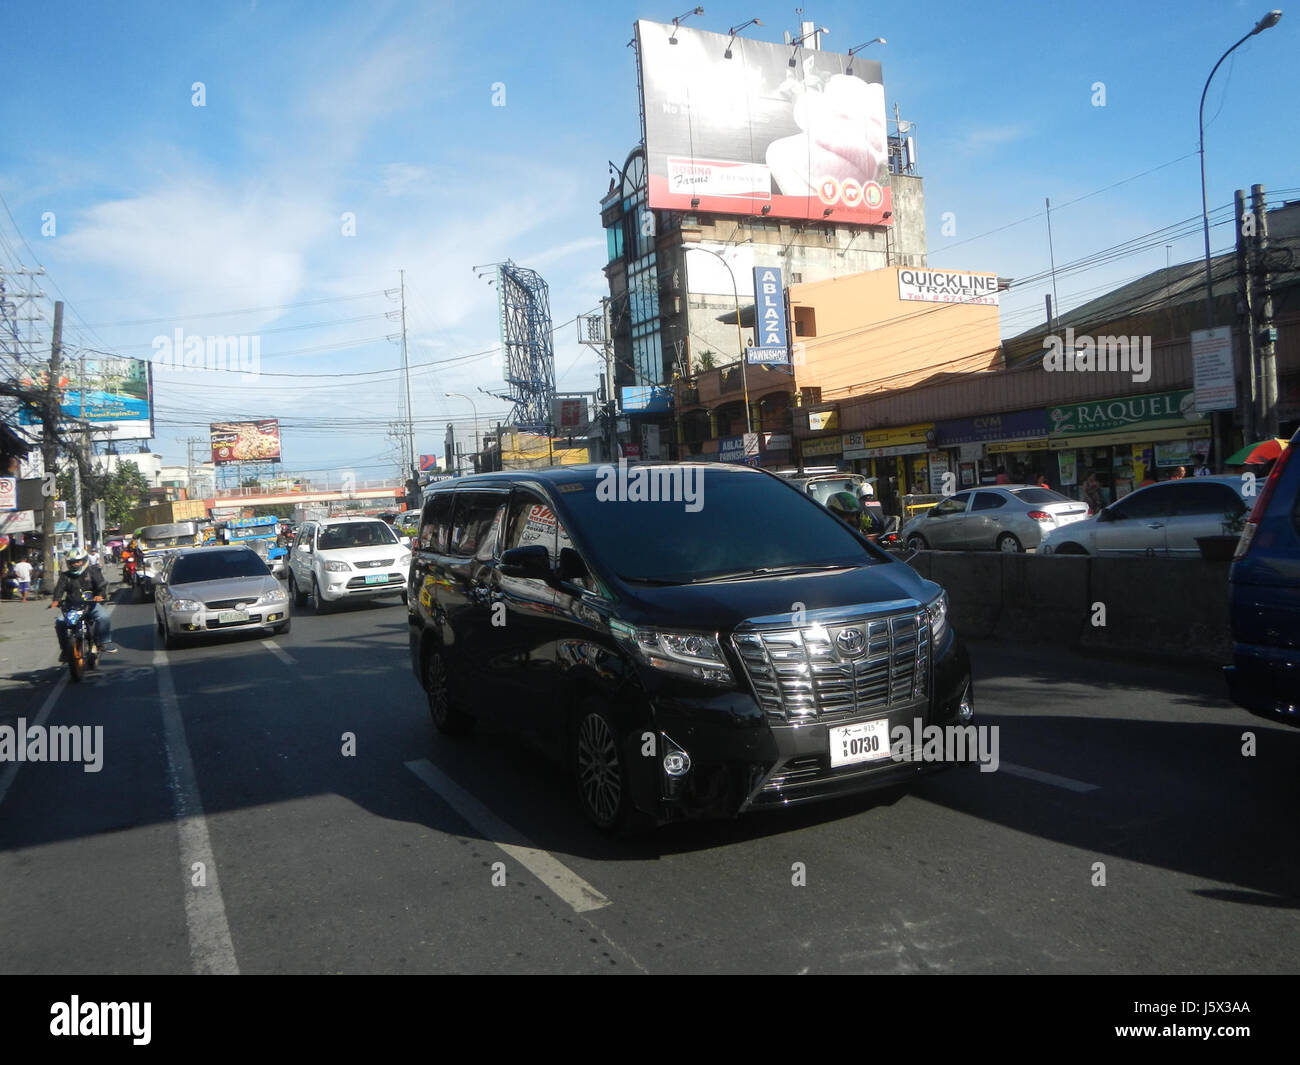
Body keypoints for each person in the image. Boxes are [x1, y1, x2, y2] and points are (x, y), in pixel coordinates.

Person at [47, 547, 117, 659]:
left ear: (84, 560)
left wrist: (100, 595)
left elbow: (101, 585)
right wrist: (56, 600)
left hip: (90, 605)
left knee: (104, 617)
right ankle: (65, 650)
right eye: (72, 562)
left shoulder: (92, 571)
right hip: (72, 607)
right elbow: (59, 589)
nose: (75, 564)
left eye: (78, 561)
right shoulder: (65, 576)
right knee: (60, 622)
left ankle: (103, 643)